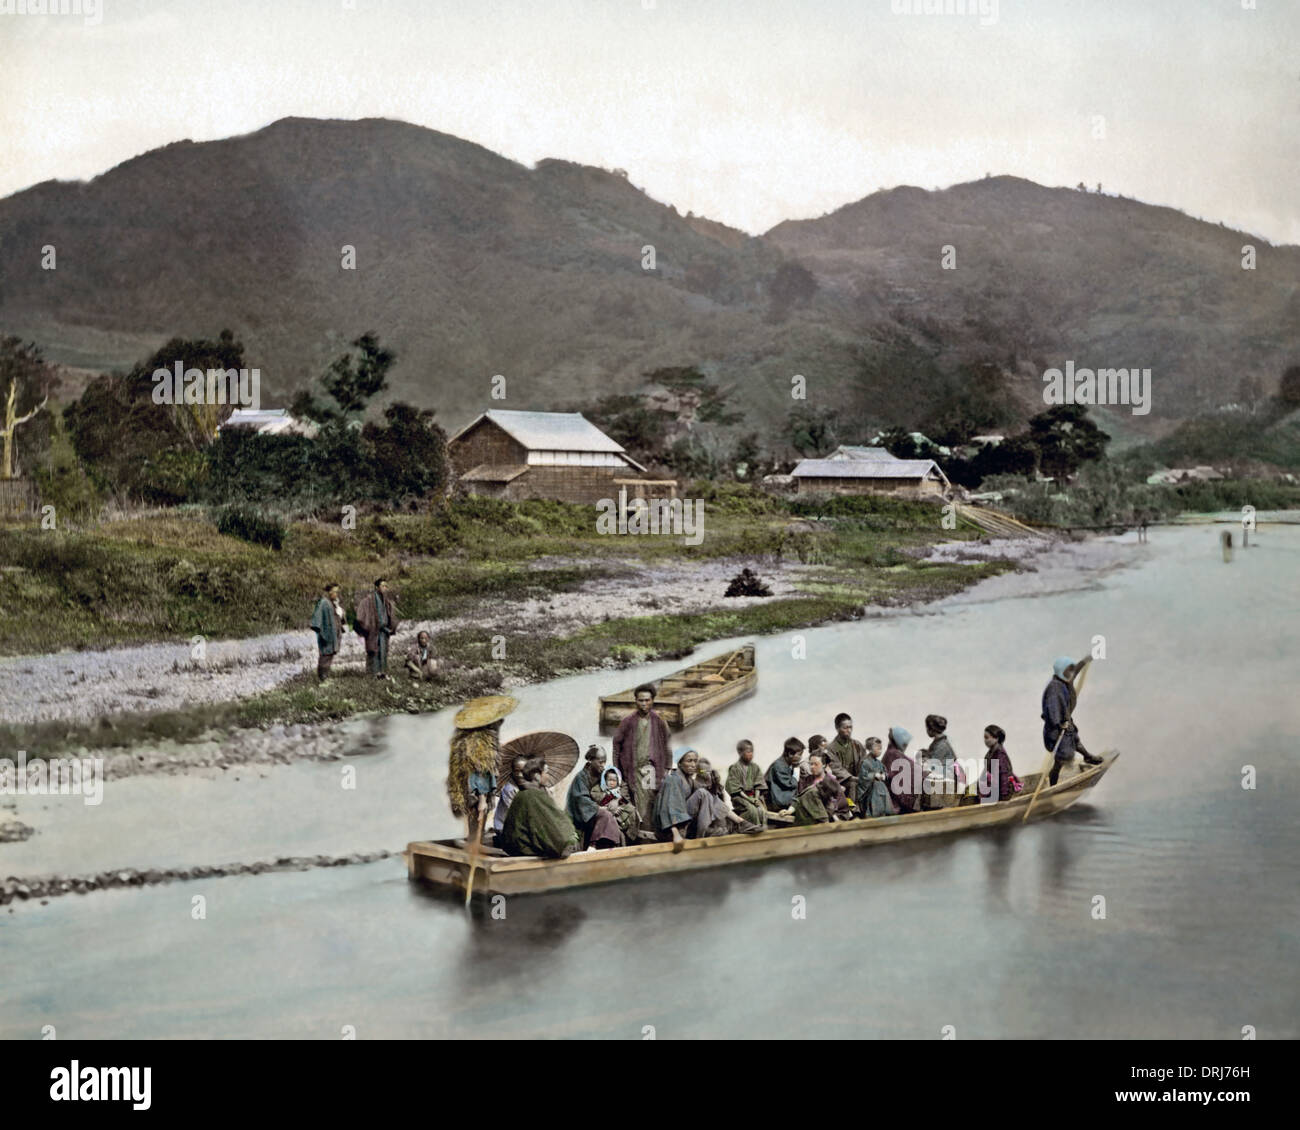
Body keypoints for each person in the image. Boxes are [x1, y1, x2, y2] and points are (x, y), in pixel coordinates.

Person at [653, 748, 760, 850]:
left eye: (695, 761)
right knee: (702, 793)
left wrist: (714, 784)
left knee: (708, 795)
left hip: (686, 823)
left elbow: (712, 798)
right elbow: (668, 809)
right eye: (689, 761)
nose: (693, 765)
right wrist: (676, 836)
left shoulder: (689, 779)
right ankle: (704, 834)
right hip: (671, 830)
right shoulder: (673, 779)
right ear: (680, 763)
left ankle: (740, 822)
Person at [447, 694, 517, 842]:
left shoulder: (465, 738)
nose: (501, 722)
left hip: (466, 788)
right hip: (476, 793)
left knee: (474, 822)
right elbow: (479, 774)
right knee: (478, 819)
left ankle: (474, 841)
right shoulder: (481, 742)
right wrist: (482, 799)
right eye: (498, 720)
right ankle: (475, 845)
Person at [612, 683, 672, 828]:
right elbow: (616, 745)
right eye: (641, 700)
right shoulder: (628, 722)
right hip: (632, 768)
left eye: (647, 700)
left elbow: (667, 744)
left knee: (649, 801)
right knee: (637, 800)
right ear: (635, 701)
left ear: (652, 701)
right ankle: (640, 831)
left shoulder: (659, 721)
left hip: (650, 768)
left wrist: (667, 767)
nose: (644, 704)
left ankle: (648, 829)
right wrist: (617, 770)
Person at [499, 758, 580, 859]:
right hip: (523, 848)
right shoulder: (533, 795)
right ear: (537, 776)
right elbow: (547, 823)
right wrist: (568, 840)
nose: (548, 776)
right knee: (567, 842)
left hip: (515, 846)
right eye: (546, 772)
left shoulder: (525, 793)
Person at [1042, 655, 1102, 785]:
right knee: (1062, 756)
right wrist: (1059, 723)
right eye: (1068, 670)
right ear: (1060, 671)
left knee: (1075, 739)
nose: (1071, 673)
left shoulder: (1066, 679)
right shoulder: (1055, 687)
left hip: (1066, 721)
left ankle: (1087, 757)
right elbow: (1052, 708)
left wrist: (1087, 659)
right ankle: (1053, 779)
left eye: (1071, 670)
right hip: (1056, 727)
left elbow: (1076, 669)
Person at [566, 746, 624, 849]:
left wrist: (616, 800)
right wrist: (598, 808)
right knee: (605, 815)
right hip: (582, 815)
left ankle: (612, 847)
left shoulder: (603, 774)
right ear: (590, 760)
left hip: (600, 809)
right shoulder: (581, 777)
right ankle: (593, 845)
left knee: (620, 820)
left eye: (604, 762)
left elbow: (619, 785)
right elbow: (581, 800)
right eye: (600, 762)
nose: (603, 765)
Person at [355, 578, 399, 678]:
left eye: (386, 586)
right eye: (383, 586)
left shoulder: (386, 601)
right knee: (373, 651)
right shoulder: (368, 600)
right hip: (373, 630)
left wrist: (391, 626)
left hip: (384, 631)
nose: (385, 588)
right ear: (376, 587)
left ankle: (382, 672)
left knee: (383, 651)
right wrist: (367, 626)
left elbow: (390, 615)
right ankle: (372, 674)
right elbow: (360, 615)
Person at [919, 714, 965, 809]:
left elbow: (932, 766)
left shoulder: (942, 745)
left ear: (932, 729)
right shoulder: (937, 744)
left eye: (927, 728)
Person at [824, 714, 865, 805]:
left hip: (858, 778)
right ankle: (853, 811)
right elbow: (835, 768)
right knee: (852, 784)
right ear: (837, 728)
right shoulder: (831, 748)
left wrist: (863, 776)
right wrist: (851, 778)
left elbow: (864, 762)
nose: (849, 730)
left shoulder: (857, 745)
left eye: (850, 727)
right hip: (842, 782)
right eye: (845, 728)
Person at [726, 739, 768, 826]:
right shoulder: (734, 768)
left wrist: (756, 798)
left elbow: (758, 785)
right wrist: (750, 800)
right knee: (752, 811)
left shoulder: (755, 767)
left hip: (754, 796)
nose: (751, 754)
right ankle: (745, 827)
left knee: (762, 811)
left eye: (752, 752)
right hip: (740, 797)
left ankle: (762, 830)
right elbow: (736, 789)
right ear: (740, 752)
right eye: (748, 752)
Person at [594, 765, 640, 844]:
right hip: (607, 811)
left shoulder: (619, 790)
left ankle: (630, 833)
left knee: (631, 810)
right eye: (609, 780)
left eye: (614, 780)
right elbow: (596, 798)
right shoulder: (602, 789)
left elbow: (625, 801)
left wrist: (618, 803)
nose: (611, 782)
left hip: (620, 810)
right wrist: (606, 798)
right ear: (605, 780)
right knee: (617, 831)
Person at [310, 582, 346, 682]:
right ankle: (322, 678)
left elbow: (340, 618)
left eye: (337, 592)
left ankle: (325, 677)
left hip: (332, 635)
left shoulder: (333, 603)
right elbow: (316, 620)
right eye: (335, 592)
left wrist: (340, 611)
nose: (336, 594)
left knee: (329, 656)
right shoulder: (323, 602)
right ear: (329, 592)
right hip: (326, 635)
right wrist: (322, 634)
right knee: (325, 656)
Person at [798, 752, 849, 819]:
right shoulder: (805, 781)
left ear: (824, 765)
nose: (812, 767)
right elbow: (800, 798)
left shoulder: (832, 782)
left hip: (827, 816)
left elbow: (842, 805)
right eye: (811, 764)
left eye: (816, 764)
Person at [882, 725, 921, 814]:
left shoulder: (892, 753)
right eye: (905, 744)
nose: (906, 746)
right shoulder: (894, 754)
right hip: (896, 802)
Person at [856, 736, 896, 818]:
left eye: (881, 748)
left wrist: (884, 775)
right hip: (870, 791)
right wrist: (874, 775)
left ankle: (885, 812)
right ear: (870, 749)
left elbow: (885, 772)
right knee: (877, 788)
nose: (880, 751)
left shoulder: (879, 763)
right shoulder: (865, 762)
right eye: (877, 748)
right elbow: (862, 777)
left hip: (881, 788)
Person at [978, 725, 1017, 803]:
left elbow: (1004, 775)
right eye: (984, 738)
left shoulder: (999, 753)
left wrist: (1004, 796)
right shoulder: (990, 752)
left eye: (987, 737)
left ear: (996, 738)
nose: (985, 741)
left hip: (1004, 788)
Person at [493, 755, 528, 842]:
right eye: (516, 771)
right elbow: (517, 815)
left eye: (523, 771)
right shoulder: (509, 789)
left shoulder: (525, 786)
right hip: (504, 829)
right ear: (512, 772)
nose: (520, 775)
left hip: (518, 827)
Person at [765, 738, 805, 812]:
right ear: (790, 754)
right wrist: (796, 770)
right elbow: (790, 785)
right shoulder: (779, 765)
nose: (801, 757)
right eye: (799, 755)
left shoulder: (786, 764)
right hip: (776, 803)